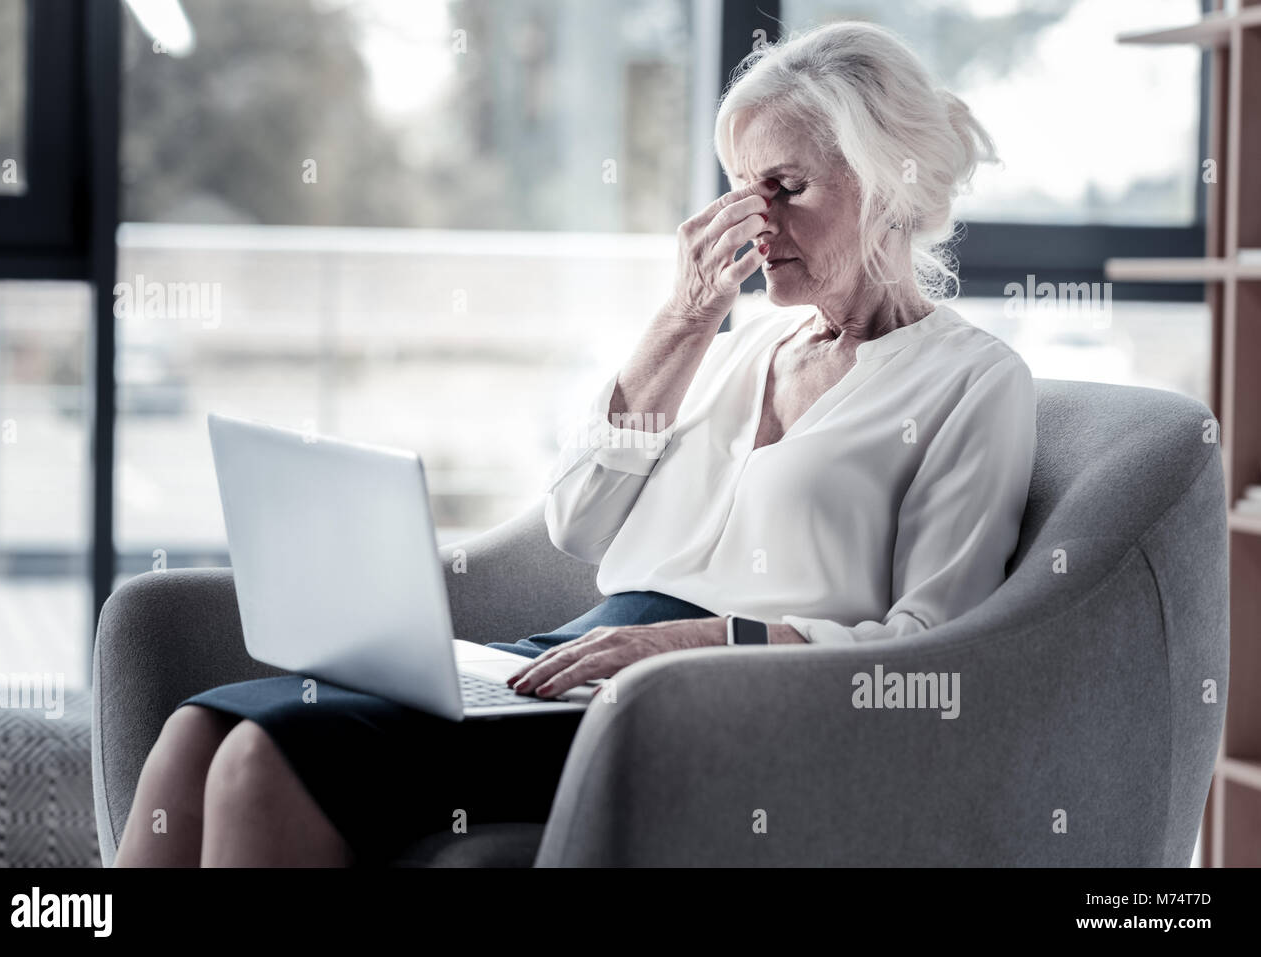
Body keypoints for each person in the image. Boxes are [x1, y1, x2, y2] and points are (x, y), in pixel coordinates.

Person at [114, 20, 1034, 868]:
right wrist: (684, 319)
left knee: (261, 763)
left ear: (892, 184)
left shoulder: (970, 381)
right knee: (197, 732)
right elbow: (578, 521)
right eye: (742, 190)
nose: (754, 223)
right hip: (575, 661)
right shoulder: (744, 342)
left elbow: (934, 649)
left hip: (711, 709)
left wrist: (703, 642)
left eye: (787, 188)